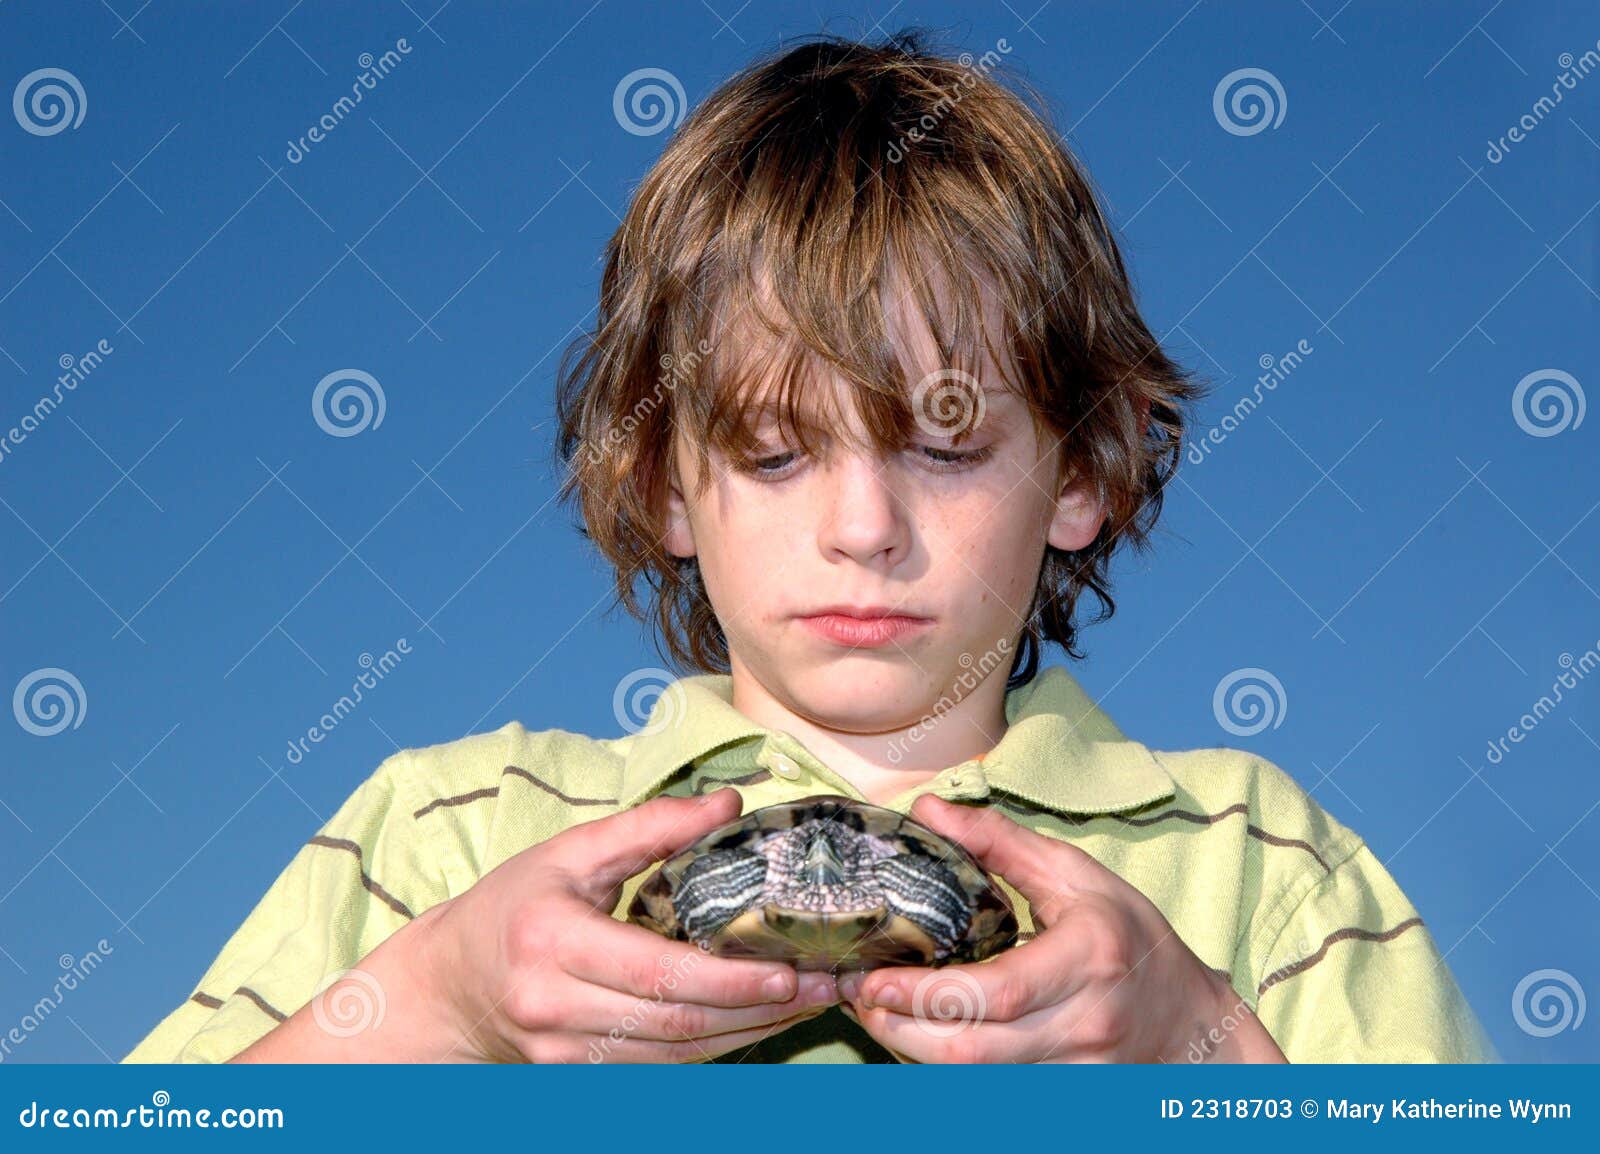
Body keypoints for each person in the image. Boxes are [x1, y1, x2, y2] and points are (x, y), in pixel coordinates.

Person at [122, 29, 1497, 1064]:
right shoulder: (441, 838)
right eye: (775, 453)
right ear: (664, 479)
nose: (861, 529)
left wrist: (1201, 1038)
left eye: (947, 447)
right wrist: (440, 997)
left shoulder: (1267, 865)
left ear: (1079, 468)